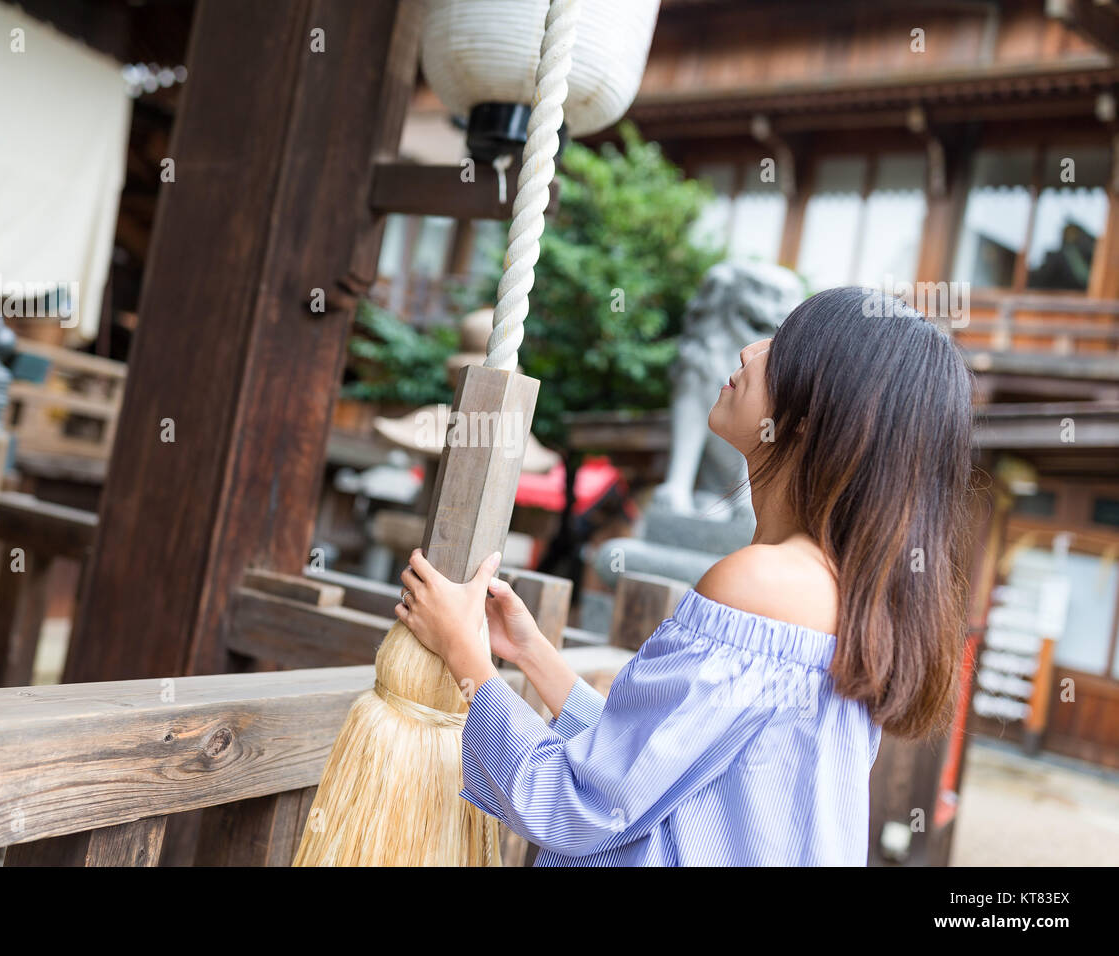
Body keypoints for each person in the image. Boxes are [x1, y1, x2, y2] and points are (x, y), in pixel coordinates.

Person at [394, 286, 976, 866]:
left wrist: (465, 660)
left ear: (818, 416)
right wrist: (532, 654)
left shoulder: (761, 586)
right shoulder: (840, 596)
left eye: (783, 344)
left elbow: (578, 807)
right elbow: (651, 774)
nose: (750, 350)